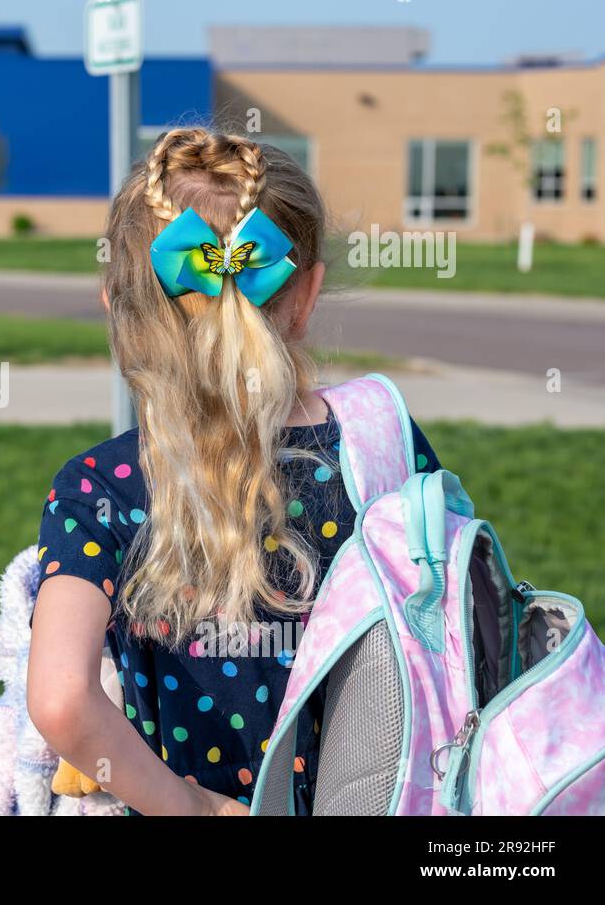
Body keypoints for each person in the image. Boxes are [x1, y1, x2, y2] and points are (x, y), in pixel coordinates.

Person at [25, 127, 441, 815]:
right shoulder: (384, 446)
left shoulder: (101, 486)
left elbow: (61, 699)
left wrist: (188, 806)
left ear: (116, 304)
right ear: (304, 296)